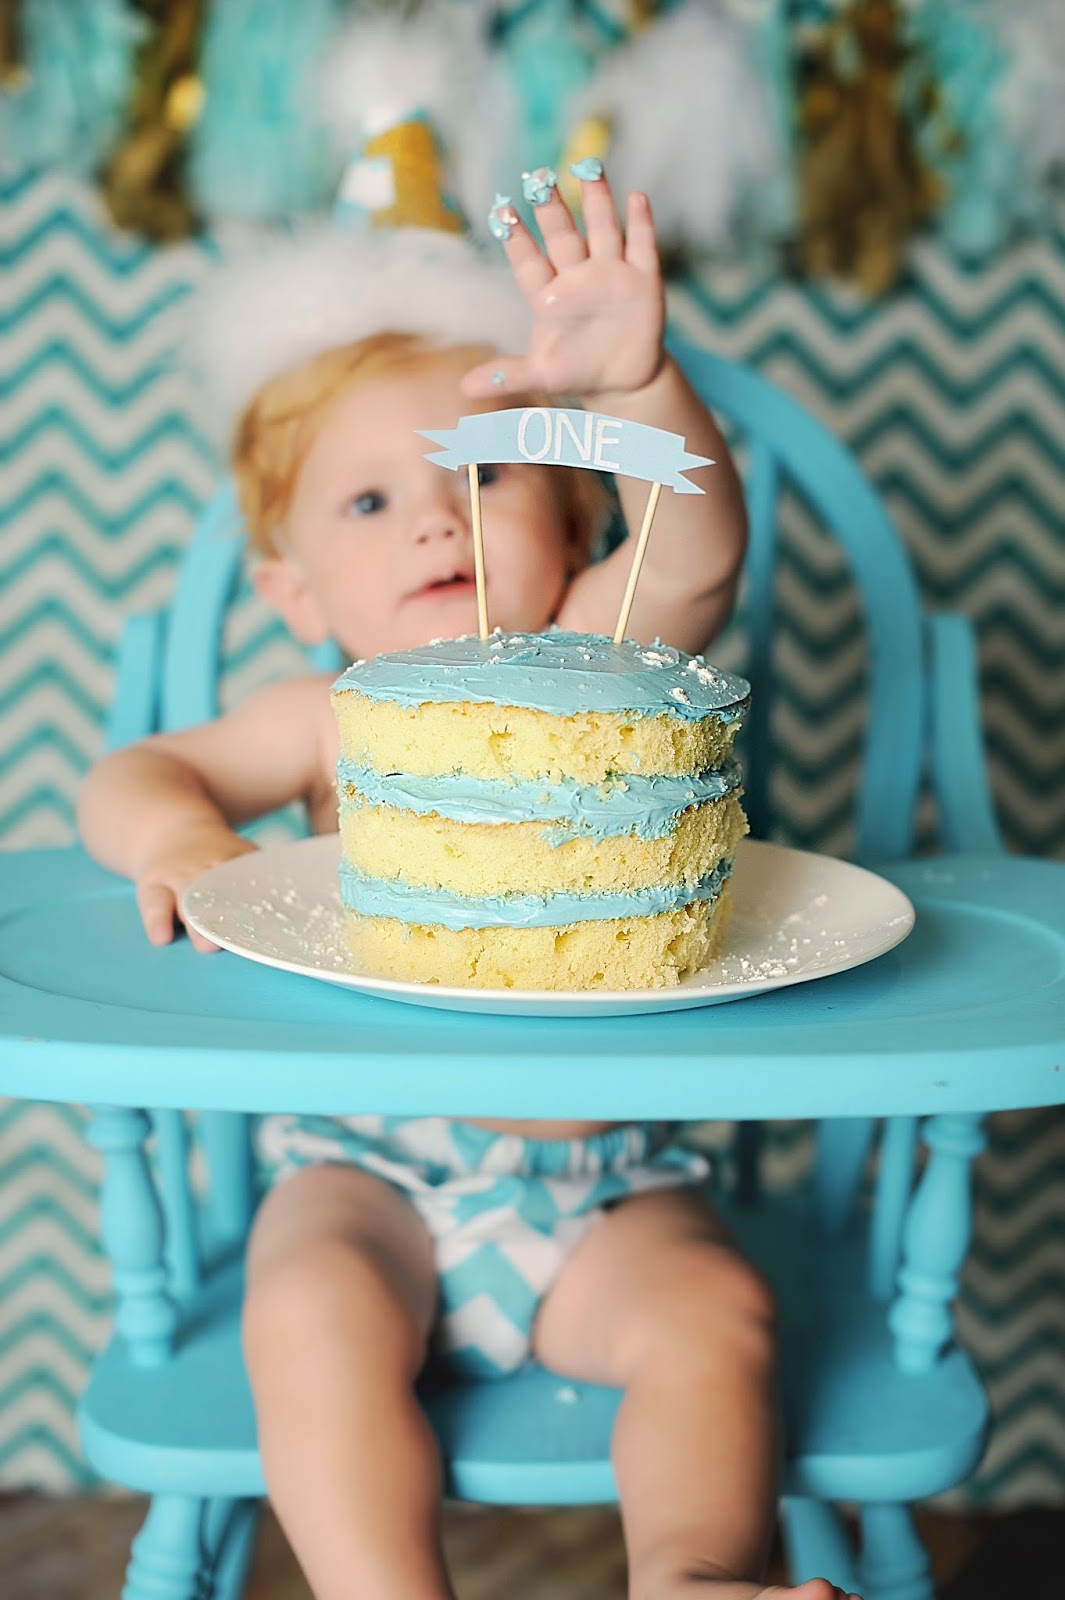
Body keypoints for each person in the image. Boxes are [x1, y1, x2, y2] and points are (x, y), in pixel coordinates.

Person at [78, 168, 858, 1600]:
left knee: (716, 1314)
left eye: (486, 475)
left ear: (579, 529)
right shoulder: (325, 718)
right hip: (366, 1172)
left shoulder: (600, 659)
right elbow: (131, 774)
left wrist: (639, 390)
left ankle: (693, 1574)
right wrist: (178, 838)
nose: (438, 523)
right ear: (294, 590)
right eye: (370, 500)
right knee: (304, 1312)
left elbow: (697, 549)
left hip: (606, 1185)